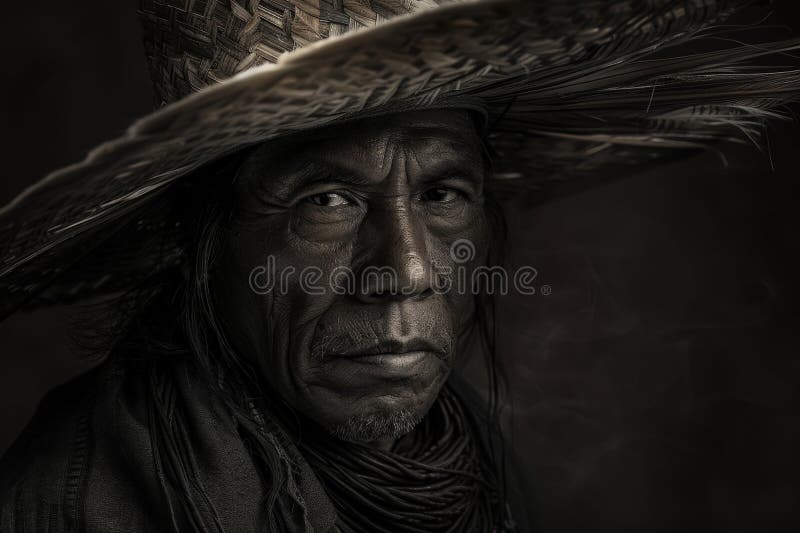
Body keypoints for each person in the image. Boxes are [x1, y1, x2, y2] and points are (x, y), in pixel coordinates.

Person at [0, 1, 798, 531]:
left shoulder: (462, 452)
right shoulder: (90, 494)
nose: (408, 270)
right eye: (327, 201)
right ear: (204, 243)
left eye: (444, 192)